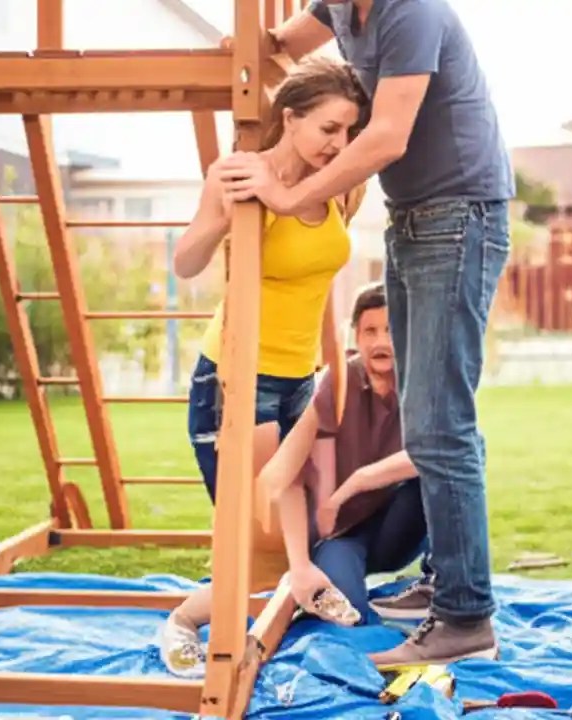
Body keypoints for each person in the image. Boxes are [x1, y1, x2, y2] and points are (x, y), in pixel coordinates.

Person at [218, 0, 515, 667]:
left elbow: (385, 138)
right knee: (424, 417)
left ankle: (465, 618)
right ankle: (446, 580)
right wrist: (236, 54)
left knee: (441, 424)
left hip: (458, 214)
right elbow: (277, 48)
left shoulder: (412, 13)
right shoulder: (338, 13)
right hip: (413, 218)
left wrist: (292, 197)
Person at [159, 57, 369, 672]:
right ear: (290, 116)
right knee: (253, 540)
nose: (341, 144)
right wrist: (224, 217)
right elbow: (187, 262)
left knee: (290, 546)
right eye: (330, 128)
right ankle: (182, 624)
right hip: (235, 378)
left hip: (300, 380)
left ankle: (255, 613)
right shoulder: (237, 176)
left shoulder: (341, 183)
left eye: (349, 131)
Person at [261, 282, 430, 625]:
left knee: (440, 472)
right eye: (370, 331)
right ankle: (325, 572)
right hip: (338, 533)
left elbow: (447, 451)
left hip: (393, 526)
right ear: (356, 336)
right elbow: (287, 480)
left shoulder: (422, 382)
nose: (381, 341)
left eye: (391, 330)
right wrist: (300, 566)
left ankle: (441, 580)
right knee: (348, 615)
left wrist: (355, 482)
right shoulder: (336, 385)